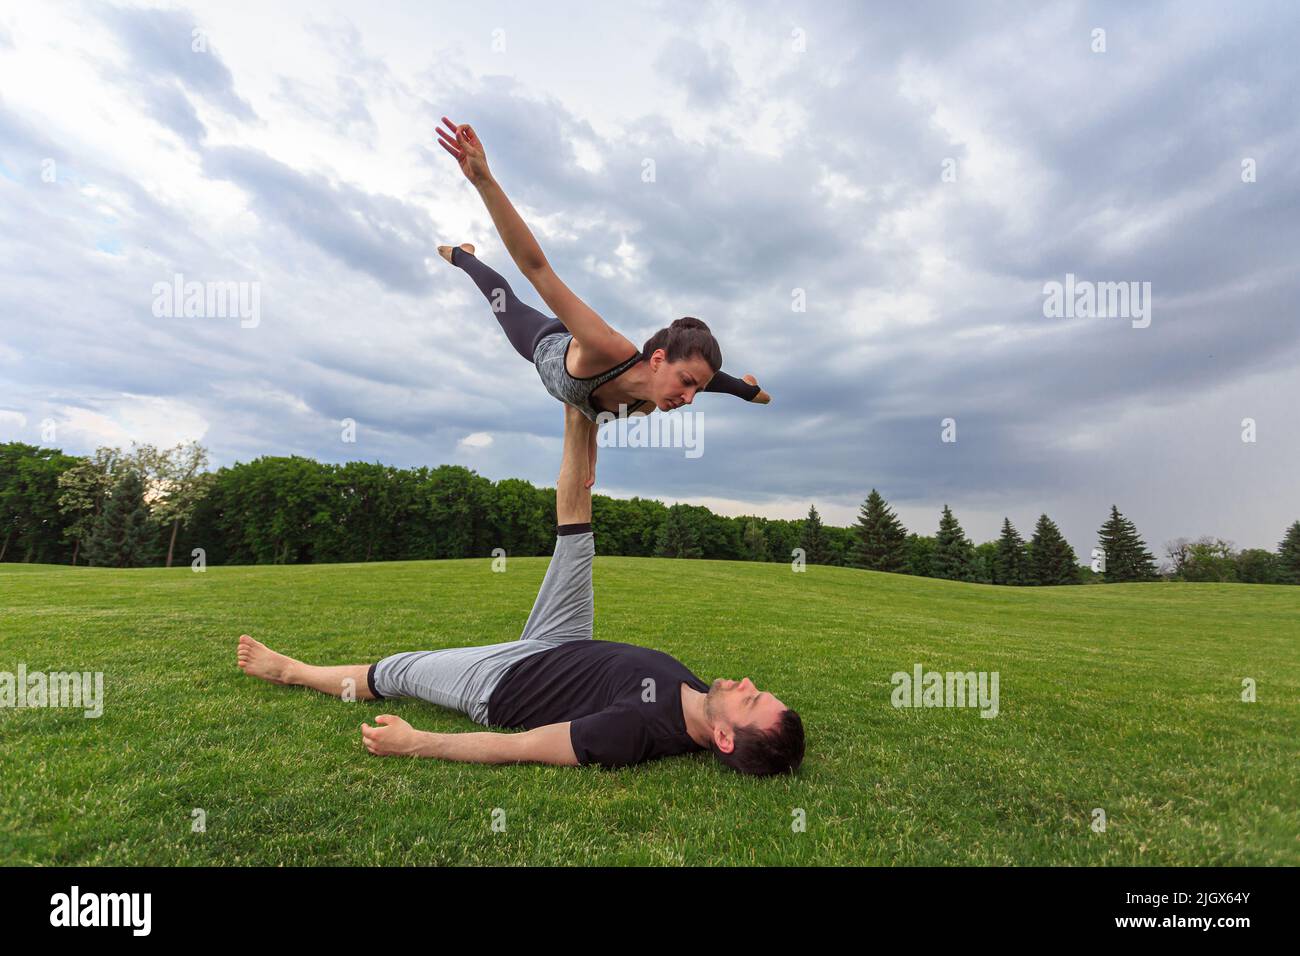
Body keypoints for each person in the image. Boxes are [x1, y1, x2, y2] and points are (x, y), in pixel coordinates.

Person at [236, 404, 804, 775]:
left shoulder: (632, 732)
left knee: (400, 671)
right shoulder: (703, 696)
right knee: (578, 538)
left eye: (751, 699)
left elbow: (523, 746)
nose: (747, 682)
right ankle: (578, 405)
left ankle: (293, 672)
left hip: (505, 683)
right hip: (563, 643)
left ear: (725, 739)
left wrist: (420, 742)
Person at [434, 116, 770, 485]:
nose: (691, 399)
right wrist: (484, 180)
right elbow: (537, 267)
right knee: (501, 299)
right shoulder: (619, 355)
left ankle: (746, 389)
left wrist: (590, 462)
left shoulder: (658, 397)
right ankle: (464, 256)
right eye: (689, 383)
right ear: (657, 361)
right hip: (550, 342)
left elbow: (600, 408)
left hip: (592, 376)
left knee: (699, 381)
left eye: (695, 390)